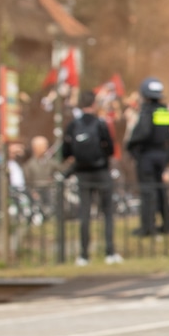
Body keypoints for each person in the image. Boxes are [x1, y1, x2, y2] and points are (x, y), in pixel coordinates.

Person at [63, 89, 121, 266]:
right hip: (101, 171)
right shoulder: (100, 124)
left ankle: (83, 255)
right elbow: (110, 148)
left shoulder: (73, 125)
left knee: (85, 214)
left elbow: (66, 152)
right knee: (107, 212)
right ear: (94, 104)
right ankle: (110, 252)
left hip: (82, 173)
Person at [126, 77, 169, 237]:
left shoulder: (147, 112)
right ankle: (167, 224)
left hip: (147, 157)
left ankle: (148, 227)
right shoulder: (164, 112)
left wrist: (131, 145)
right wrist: (167, 157)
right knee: (161, 191)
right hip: (162, 155)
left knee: (148, 192)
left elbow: (143, 133)